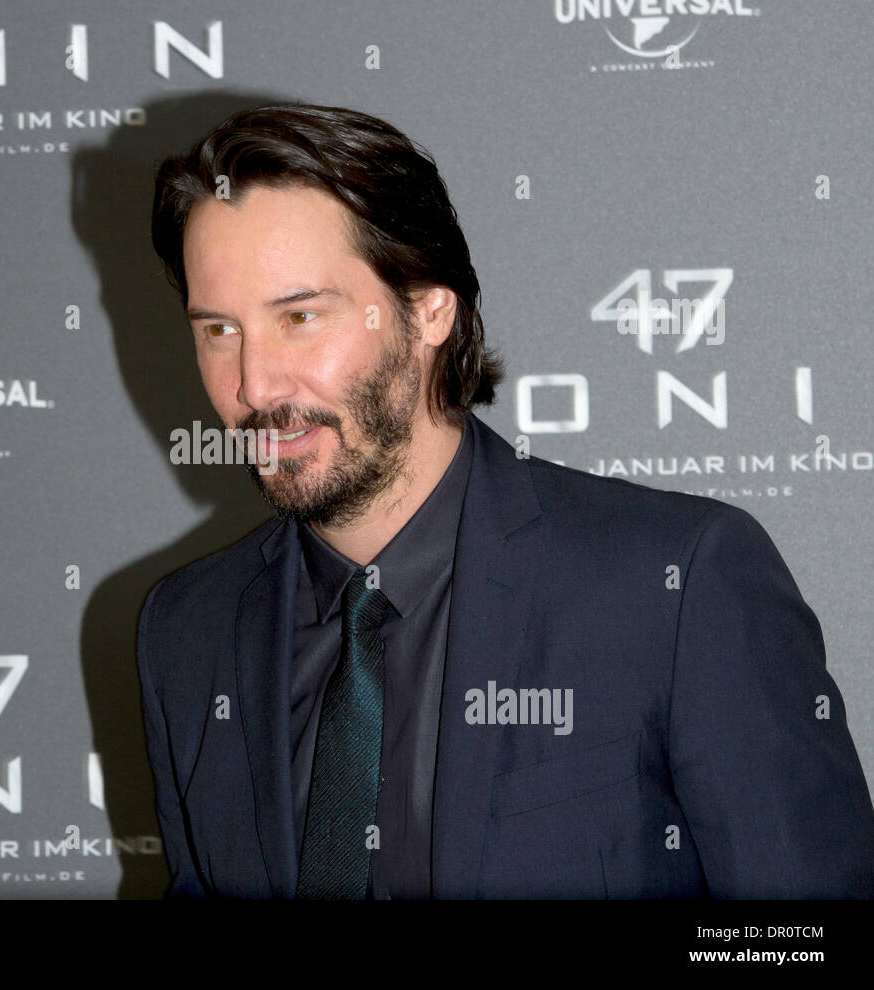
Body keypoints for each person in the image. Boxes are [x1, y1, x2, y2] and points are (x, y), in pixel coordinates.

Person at [136, 103, 874, 899]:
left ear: (428, 311)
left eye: (300, 317)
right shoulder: (186, 631)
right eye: (218, 330)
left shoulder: (673, 587)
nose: (252, 385)